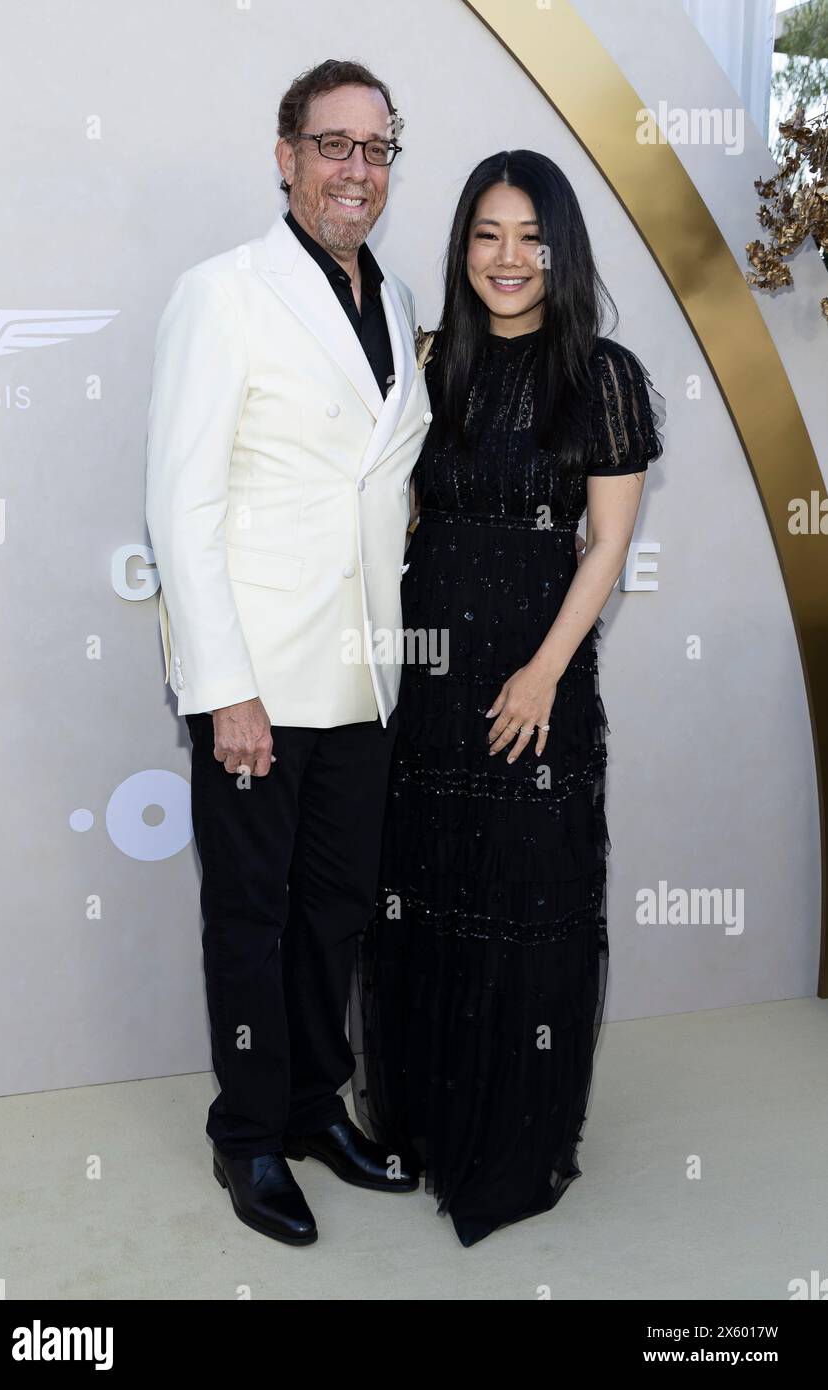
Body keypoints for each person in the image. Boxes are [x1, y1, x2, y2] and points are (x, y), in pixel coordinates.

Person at [352, 150, 666, 1247]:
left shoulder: (603, 374)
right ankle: (432, 1120)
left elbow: (608, 545)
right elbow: (393, 517)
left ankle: (512, 1138)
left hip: (537, 679)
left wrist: (538, 670)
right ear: (461, 249)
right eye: (486, 234)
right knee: (428, 893)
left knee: (527, 902)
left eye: (529, 236)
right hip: (428, 682)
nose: (507, 257)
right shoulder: (431, 362)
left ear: (561, 249)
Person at [145, 59, 432, 1246]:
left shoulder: (399, 296)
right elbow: (182, 505)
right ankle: (251, 1136)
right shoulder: (222, 293)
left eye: (375, 148)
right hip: (257, 684)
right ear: (285, 156)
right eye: (332, 146)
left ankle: (316, 1106)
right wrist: (225, 692)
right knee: (250, 918)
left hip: (363, 679)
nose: (354, 171)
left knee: (336, 913)